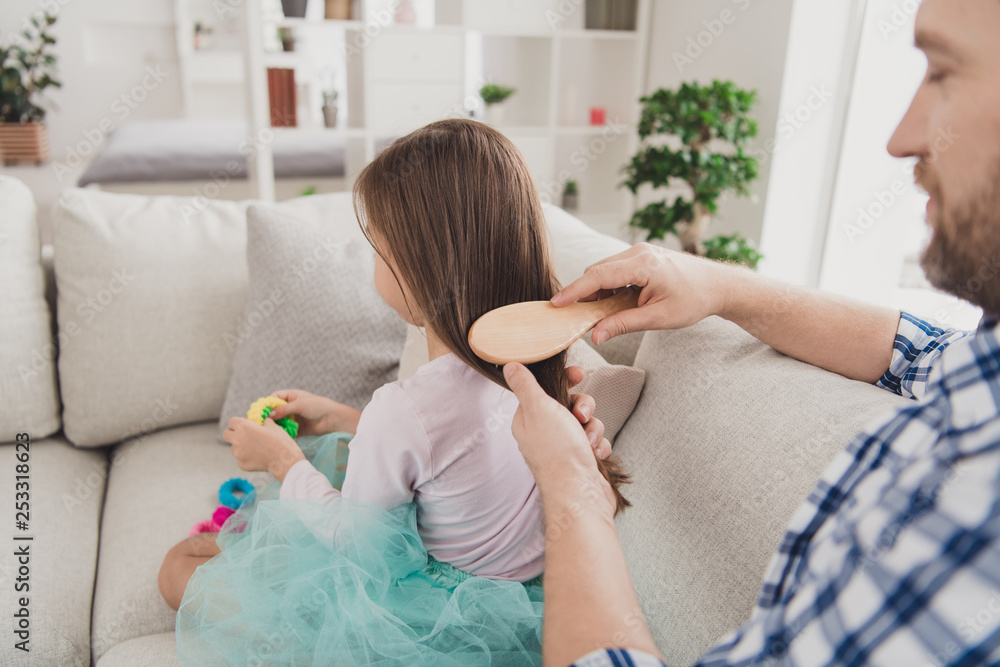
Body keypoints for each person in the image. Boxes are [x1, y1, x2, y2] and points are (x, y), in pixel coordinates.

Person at [504, 0, 1000, 664]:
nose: (901, 137)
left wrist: (569, 483)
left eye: (941, 71)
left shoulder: (977, 521)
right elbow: (914, 350)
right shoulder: (982, 375)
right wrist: (721, 286)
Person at [156, 118, 619, 665]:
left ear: (420, 268)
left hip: (419, 617)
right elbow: (453, 457)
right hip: (518, 602)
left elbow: (359, 546)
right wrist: (340, 419)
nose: (372, 261)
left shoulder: (403, 409)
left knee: (180, 565)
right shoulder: (541, 360)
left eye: (376, 248)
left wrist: (282, 462)